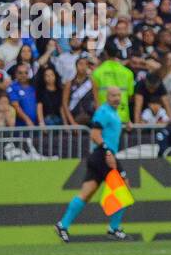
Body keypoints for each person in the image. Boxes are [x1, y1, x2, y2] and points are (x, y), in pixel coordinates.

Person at [54, 85, 131, 242]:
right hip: (104, 156)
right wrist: (107, 151)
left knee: (86, 193)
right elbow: (94, 134)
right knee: (124, 189)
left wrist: (125, 125)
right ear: (107, 97)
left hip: (99, 156)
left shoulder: (113, 112)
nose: (116, 98)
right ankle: (114, 228)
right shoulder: (103, 111)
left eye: (118, 95)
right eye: (113, 96)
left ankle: (63, 225)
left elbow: (108, 130)